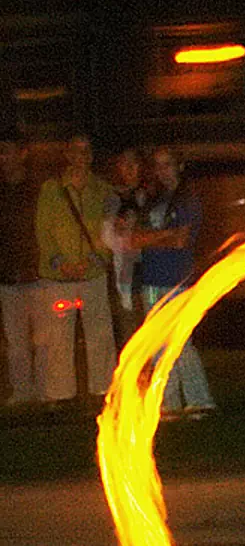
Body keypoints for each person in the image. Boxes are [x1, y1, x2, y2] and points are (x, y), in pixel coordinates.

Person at [119, 147, 215, 419]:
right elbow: (134, 239)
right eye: (158, 166)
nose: (162, 171)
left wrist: (154, 237)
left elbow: (181, 241)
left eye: (167, 165)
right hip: (152, 280)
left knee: (181, 342)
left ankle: (200, 401)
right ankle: (167, 403)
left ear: (179, 166)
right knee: (158, 343)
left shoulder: (189, 200)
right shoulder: (151, 200)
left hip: (178, 280)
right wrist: (163, 235)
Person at [34, 135, 118, 407]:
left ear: (91, 156)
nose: (80, 156)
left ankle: (103, 388)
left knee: (100, 333)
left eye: (86, 151)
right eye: (75, 151)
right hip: (60, 278)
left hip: (92, 275)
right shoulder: (52, 189)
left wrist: (94, 260)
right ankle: (60, 394)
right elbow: (43, 230)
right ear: (67, 155)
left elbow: (108, 230)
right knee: (59, 336)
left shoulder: (103, 190)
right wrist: (61, 262)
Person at [0, 132, 43, 405]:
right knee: (16, 342)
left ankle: (44, 390)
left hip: (36, 275)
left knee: (43, 340)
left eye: (7, 151)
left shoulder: (40, 188)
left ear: (22, 153)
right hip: (7, 276)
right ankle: (22, 391)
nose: (3, 158)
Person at [102, 147, 147, 349]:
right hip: (126, 274)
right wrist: (123, 233)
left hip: (152, 271)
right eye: (123, 163)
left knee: (152, 328)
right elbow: (106, 238)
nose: (129, 169)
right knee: (129, 327)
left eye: (133, 163)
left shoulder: (151, 195)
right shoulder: (113, 199)